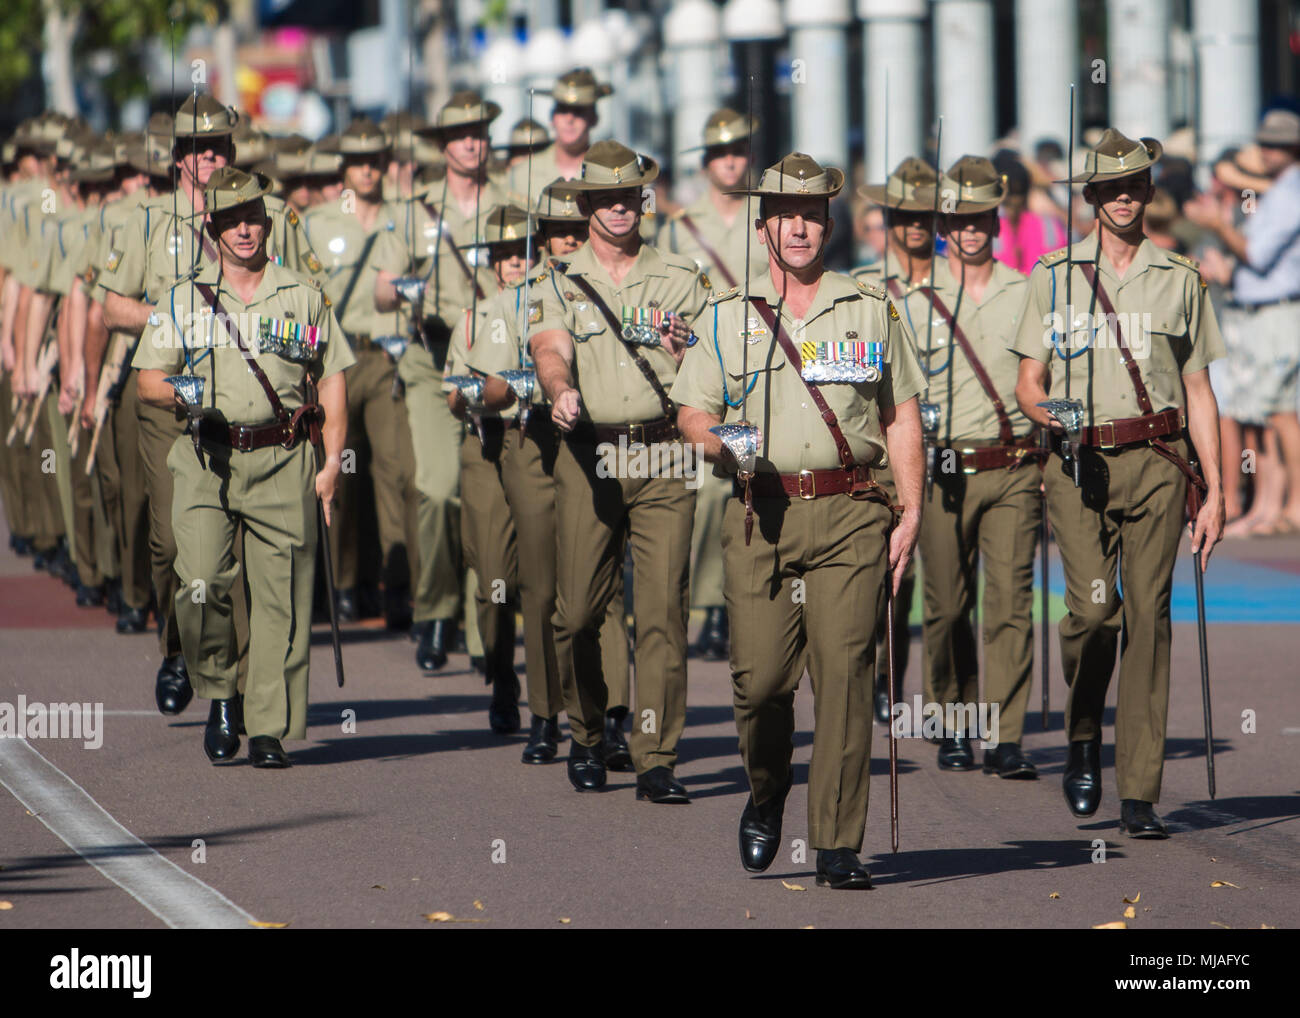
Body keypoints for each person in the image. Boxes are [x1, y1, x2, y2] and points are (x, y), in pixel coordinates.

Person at [672, 152, 924, 887]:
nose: (799, 228)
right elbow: (692, 409)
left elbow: (900, 414)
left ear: (829, 224)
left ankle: (839, 843)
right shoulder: (726, 314)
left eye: (812, 215)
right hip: (762, 513)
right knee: (758, 683)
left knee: (846, 675)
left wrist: (911, 509)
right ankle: (766, 788)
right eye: (785, 215)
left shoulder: (870, 307)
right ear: (763, 229)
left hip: (851, 509)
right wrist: (716, 441)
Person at [1012, 129, 1226, 838]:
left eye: (1135, 183)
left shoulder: (1181, 279)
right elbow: (1027, 382)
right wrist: (1050, 416)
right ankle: (1081, 735)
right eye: (1109, 186)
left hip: (1161, 463)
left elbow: (1199, 392)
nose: (1123, 195)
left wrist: (1218, 489)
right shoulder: (1052, 274)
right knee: (1092, 616)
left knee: (1149, 618)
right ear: (1091, 197)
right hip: (1079, 464)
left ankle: (1139, 790)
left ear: (1149, 192)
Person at [99, 93, 327, 717]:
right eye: (198, 150)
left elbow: (314, 299)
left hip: (260, 405)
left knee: (259, 560)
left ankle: (247, 695)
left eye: (220, 147)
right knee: (178, 545)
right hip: (173, 396)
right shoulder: (146, 218)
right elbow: (109, 304)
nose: (210, 158)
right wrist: (177, 321)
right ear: (177, 158)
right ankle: (181, 647)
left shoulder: (271, 211)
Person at [133, 166, 352, 767]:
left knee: (279, 598)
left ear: (268, 221)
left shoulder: (302, 294)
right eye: (231, 219)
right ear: (213, 228)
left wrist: (332, 460)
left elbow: (331, 375)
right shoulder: (183, 297)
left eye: (253, 217)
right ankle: (220, 689)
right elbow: (146, 379)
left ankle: (267, 729)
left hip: (283, 455)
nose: (245, 229)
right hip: (208, 456)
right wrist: (180, 393)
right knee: (200, 582)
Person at [529, 140, 708, 802]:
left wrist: (691, 351)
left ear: (643, 199)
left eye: (629, 195)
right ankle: (587, 731)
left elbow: (711, 358)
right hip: (589, 454)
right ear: (585, 206)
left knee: (661, 608)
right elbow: (549, 347)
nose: (620, 207)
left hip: (664, 455)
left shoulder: (683, 277)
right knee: (578, 611)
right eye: (605, 197)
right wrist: (559, 390)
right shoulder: (557, 278)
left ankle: (656, 754)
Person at [913, 155, 1041, 775]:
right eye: (959, 219)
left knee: (1011, 603)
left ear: (997, 218)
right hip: (944, 471)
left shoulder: (1027, 290)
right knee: (945, 606)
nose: (970, 230)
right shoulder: (915, 301)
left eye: (982, 218)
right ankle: (954, 718)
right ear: (944, 224)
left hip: (1014, 465)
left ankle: (1007, 734)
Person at [373, 90, 507, 674]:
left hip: (493, 360)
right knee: (437, 487)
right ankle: (434, 611)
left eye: (479, 132)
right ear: (443, 147)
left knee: (487, 495)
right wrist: (406, 288)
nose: (472, 143)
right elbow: (380, 288)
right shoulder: (413, 209)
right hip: (430, 360)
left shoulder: (512, 204)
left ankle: (485, 631)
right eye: (460, 135)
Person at [305, 118, 417, 629]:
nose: (367, 170)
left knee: (397, 475)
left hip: (392, 358)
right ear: (344, 168)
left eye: (375, 161)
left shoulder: (409, 216)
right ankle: (344, 585)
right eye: (358, 162)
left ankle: (397, 586)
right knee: (341, 468)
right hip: (339, 358)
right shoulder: (317, 221)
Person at [665, 107, 769, 662]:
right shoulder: (681, 226)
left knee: (768, 479)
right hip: (706, 368)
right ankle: (709, 608)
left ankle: (750, 605)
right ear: (706, 163)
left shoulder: (767, 217)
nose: (731, 161)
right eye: (720, 153)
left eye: (738, 151)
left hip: (766, 365)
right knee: (708, 494)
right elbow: (660, 299)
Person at [441, 204, 535, 735]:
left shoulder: (553, 309)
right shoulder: (474, 318)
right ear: (492, 265)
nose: (513, 264)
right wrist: (469, 396)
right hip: (488, 447)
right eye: (503, 255)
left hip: (541, 445)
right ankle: (502, 677)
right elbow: (453, 393)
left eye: (521, 252)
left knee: (548, 577)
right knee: (495, 577)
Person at [1184, 109, 1300, 535]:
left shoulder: (1291, 191)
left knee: (1280, 411)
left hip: (1277, 312)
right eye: (1263, 143)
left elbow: (1257, 255)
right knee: (1261, 412)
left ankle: (1293, 504)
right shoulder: (1280, 192)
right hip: (1260, 310)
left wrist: (1217, 225)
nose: (1265, 151)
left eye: (1273, 145)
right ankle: (1269, 507)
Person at [855, 156, 941, 724]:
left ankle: (929, 695)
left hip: (952, 447)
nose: (913, 224)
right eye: (902, 214)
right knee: (885, 576)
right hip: (885, 450)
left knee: (945, 589)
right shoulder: (862, 287)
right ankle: (880, 682)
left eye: (923, 214)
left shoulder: (960, 282)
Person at [508, 68, 612, 205]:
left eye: (579, 111)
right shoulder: (522, 174)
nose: (570, 119)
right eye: (563, 110)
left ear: (594, 118)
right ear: (552, 117)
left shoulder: (610, 173)